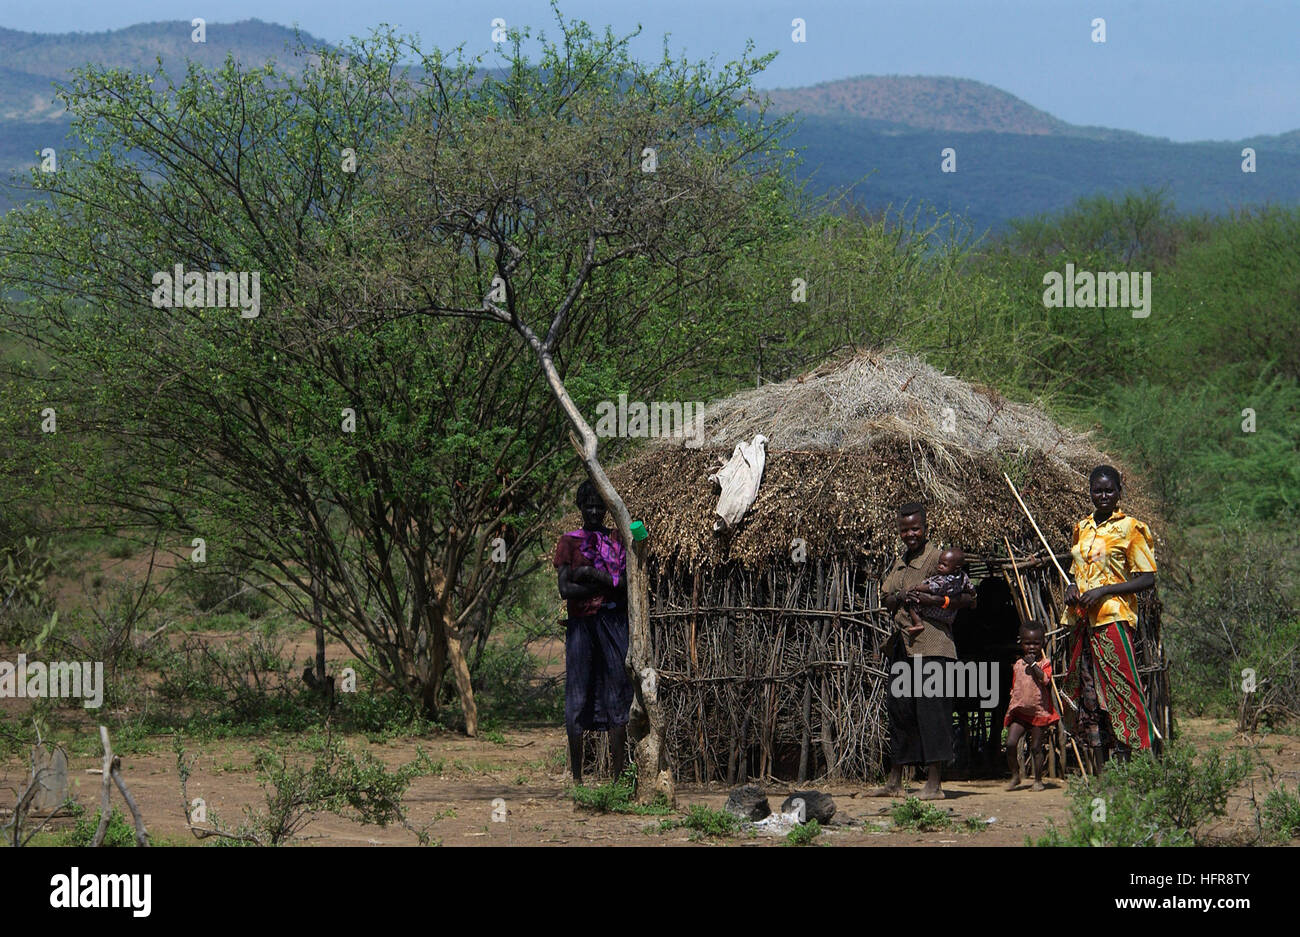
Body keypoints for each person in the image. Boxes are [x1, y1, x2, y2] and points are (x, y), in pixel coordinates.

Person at [869, 502, 977, 800]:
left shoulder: (937, 558)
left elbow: (968, 598)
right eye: (904, 530)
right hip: (903, 643)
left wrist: (937, 603)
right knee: (900, 710)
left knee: (934, 713)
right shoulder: (900, 561)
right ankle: (895, 781)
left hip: (933, 645)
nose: (910, 534)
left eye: (915, 528)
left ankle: (934, 784)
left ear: (925, 527)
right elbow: (887, 598)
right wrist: (899, 596)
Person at [1062, 465, 1158, 769]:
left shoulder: (1131, 528)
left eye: (1109, 490)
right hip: (1083, 621)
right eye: (1097, 490)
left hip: (1113, 617)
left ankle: (1137, 763)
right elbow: (1076, 569)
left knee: (1121, 690)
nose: (1102, 495)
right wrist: (1071, 585)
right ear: (1090, 491)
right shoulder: (1082, 527)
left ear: (1119, 492)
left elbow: (1147, 578)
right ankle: (1104, 772)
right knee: (1090, 693)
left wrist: (1104, 591)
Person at [553, 480, 633, 785]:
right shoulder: (569, 542)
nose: (595, 511)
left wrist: (589, 573)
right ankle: (576, 780)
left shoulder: (617, 539)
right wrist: (605, 582)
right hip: (582, 626)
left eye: (600, 506)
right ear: (579, 507)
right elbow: (565, 589)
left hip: (613, 625)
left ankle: (617, 779)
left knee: (617, 694)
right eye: (589, 505)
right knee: (577, 694)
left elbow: (625, 584)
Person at [1003, 622, 1058, 791]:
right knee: (1010, 743)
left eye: (1036, 643)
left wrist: (1034, 665)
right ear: (1021, 643)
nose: (1032, 647)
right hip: (1020, 713)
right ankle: (1015, 775)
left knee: (1036, 748)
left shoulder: (1045, 664)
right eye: (1028, 643)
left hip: (1038, 713)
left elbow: (1045, 680)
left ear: (1043, 643)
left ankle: (1038, 780)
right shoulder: (1018, 664)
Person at [904, 547, 971, 637]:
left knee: (912, 604)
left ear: (956, 568)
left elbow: (933, 587)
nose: (940, 566)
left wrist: (917, 588)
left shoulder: (945, 580)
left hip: (935, 611)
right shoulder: (963, 577)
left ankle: (918, 623)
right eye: (939, 563)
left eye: (944, 565)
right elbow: (970, 587)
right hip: (948, 614)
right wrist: (974, 594)